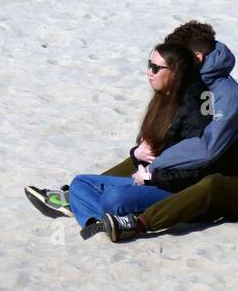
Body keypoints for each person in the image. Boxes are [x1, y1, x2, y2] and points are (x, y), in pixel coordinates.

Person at [98, 21, 238, 242]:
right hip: (212, 167)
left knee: (210, 184)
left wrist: (155, 168)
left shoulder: (226, 95)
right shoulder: (194, 82)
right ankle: (92, 188)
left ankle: (140, 224)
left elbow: (207, 148)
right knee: (153, 149)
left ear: (198, 58)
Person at [25, 42, 208, 232]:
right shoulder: (161, 102)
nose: (149, 73)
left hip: (170, 190)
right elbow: (146, 154)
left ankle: (101, 214)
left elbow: (193, 174)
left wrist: (150, 178)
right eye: (148, 65)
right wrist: (137, 154)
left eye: (156, 68)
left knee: (114, 197)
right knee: (80, 183)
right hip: (146, 180)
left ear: (175, 72)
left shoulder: (192, 114)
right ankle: (101, 221)